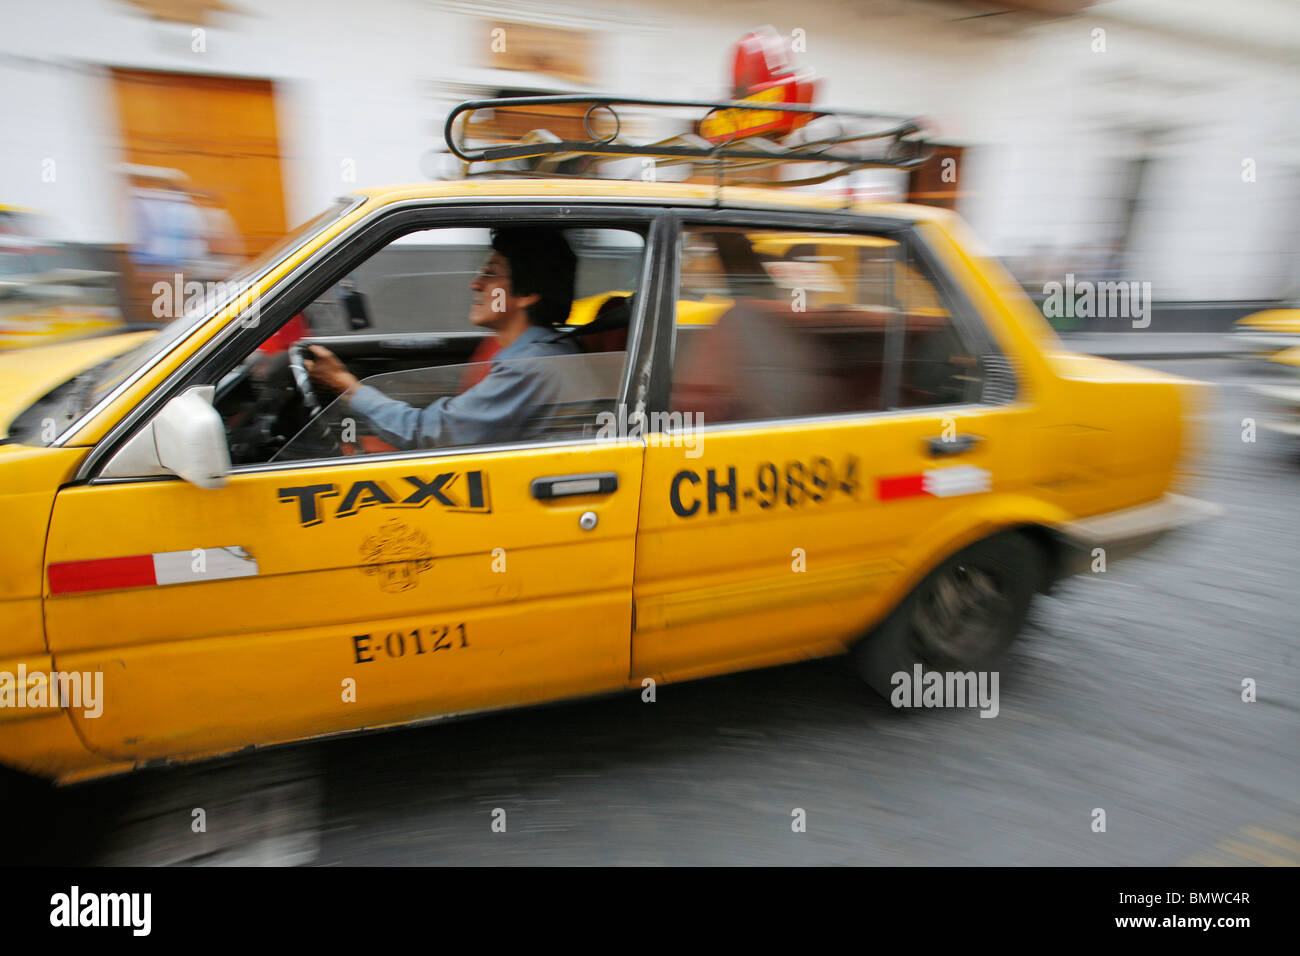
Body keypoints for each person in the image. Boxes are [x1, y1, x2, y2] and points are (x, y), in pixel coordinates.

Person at [304, 227, 579, 449]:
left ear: (527, 294)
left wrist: (347, 387)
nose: (475, 284)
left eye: (491, 273)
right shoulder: (535, 354)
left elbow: (432, 433)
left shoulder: (532, 366)